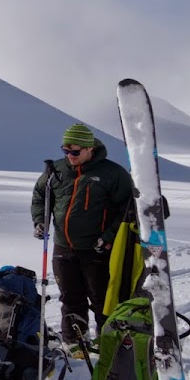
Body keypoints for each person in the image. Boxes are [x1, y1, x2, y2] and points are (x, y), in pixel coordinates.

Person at [31, 123, 134, 349]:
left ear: (89, 148)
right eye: (65, 151)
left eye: (75, 152)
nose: (70, 156)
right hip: (63, 246)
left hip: (97, 248)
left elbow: (127, 210)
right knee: (70, 298)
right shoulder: (56, 171)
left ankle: (109, 343)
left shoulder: (112, 174)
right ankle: (74, 342)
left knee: (102, 300)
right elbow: (40, 194)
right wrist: (41, 220)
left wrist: (109, 236)